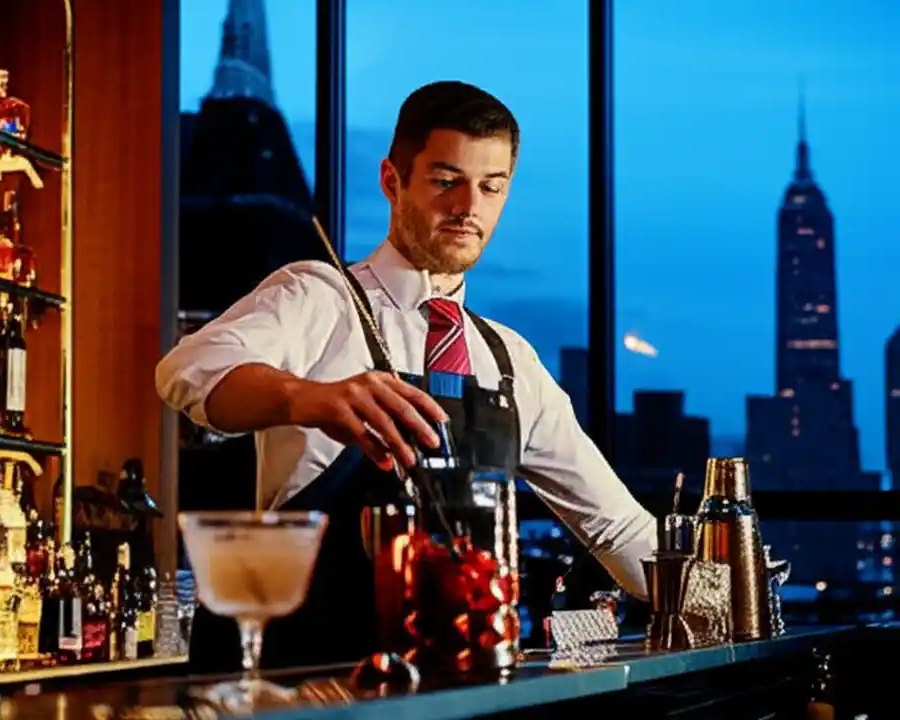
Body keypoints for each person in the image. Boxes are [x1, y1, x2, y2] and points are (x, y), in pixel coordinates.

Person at [156, 80, 656, 673]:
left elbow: (616, 524)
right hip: (321, 686)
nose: (469, 206)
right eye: (447, 181)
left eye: (491, 187)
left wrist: (726, 592)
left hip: (471, 690)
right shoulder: (321, 296)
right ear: (393, 181)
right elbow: (187, 370)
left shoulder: (509, 360)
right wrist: (308, 398)